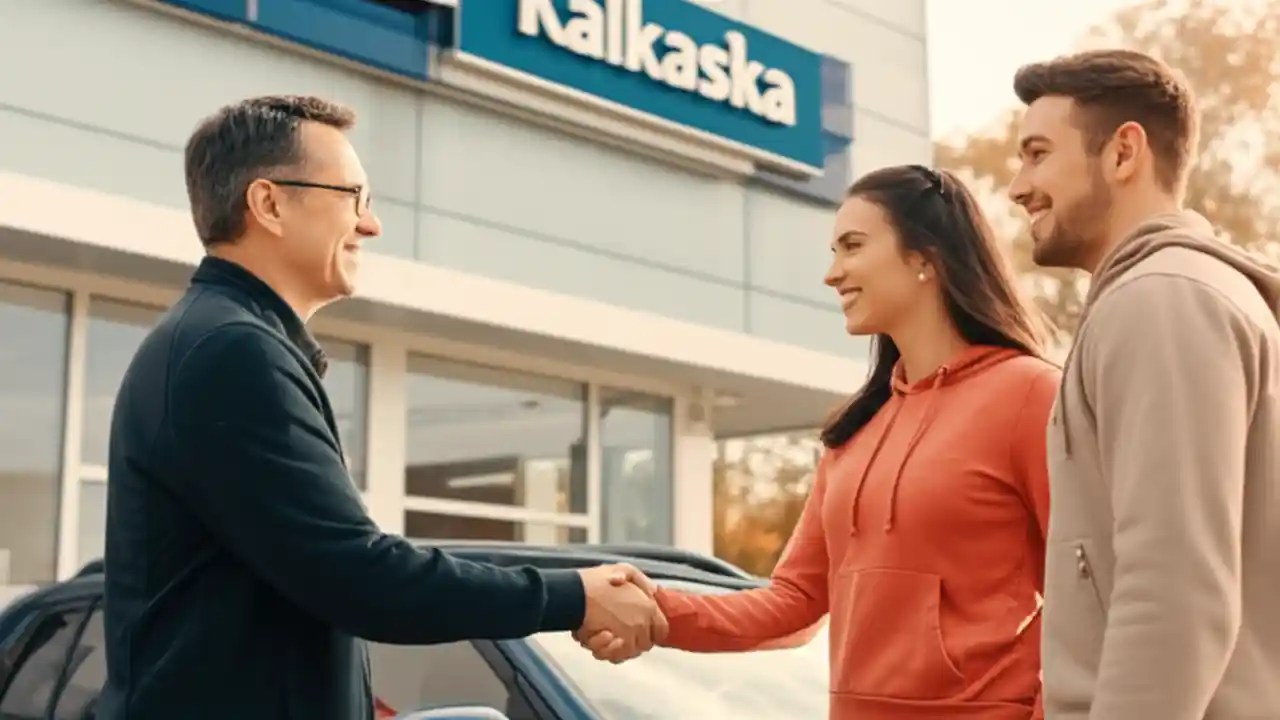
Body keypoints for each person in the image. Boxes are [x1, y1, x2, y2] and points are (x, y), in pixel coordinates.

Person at [99, 95, 665, 720]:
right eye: (355, 198)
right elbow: (361, 578)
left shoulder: (224, 340)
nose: (372, 226)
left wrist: (577, 588)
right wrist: (573, 598)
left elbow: (337, 568)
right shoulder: (231, 350)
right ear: (269, 203)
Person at [582, 164, 1061, 719]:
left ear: (924, 258)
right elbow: (795, 603)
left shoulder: (1031, 393)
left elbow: (1088, 592)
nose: (833, 274)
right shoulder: (856, 430)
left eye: (852, 247)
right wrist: (658, 610)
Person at [1008, 49, 1280, 718]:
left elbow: (1174, 591)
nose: (1018, 185)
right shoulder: (1171, 296)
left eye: (1037, 154)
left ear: (1124, 152)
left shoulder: (1160, 301)